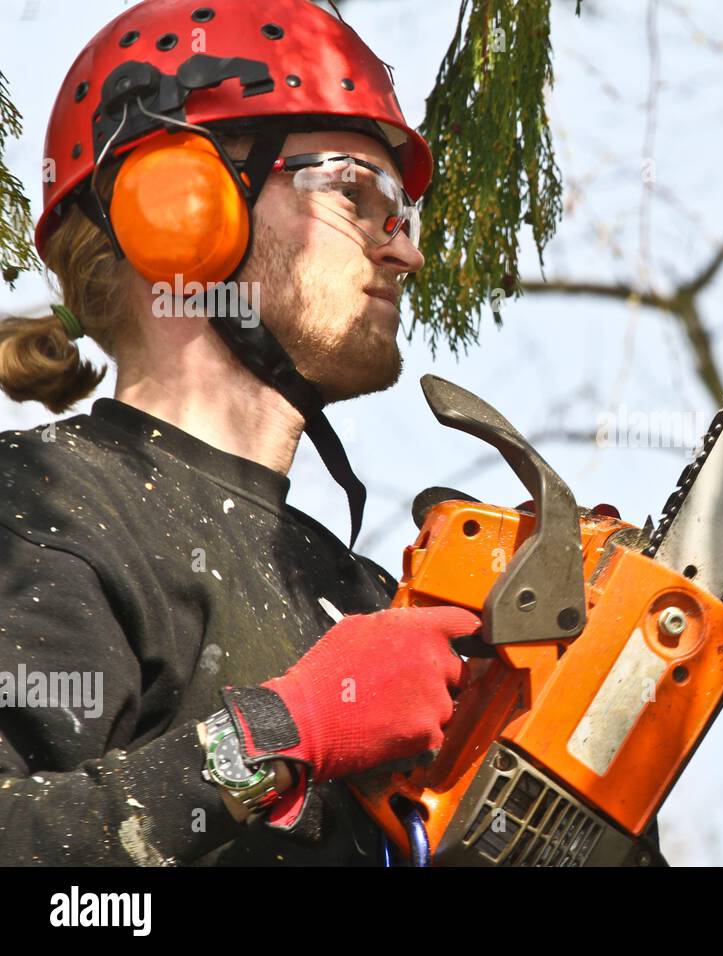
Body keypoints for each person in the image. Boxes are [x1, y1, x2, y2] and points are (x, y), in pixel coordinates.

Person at [0, 0, 480, 865]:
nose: (404, 252)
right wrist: (278, 735)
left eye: (399, 210)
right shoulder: (42, 508)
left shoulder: (363, 597)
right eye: (351, 192)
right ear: (179, 207)